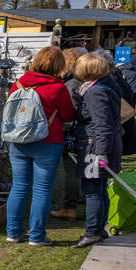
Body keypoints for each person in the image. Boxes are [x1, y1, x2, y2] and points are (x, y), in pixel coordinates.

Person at [5, 46, 75, 247]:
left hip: (19, 141)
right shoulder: (57, 88)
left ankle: (14, 232)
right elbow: (69, 115)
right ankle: (36, 236)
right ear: (58, 65)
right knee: (42, 190)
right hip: (48, 142)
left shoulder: (17, 85)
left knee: (18, 187)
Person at [72, 53, 125, 248]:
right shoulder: (106, 87)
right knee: (99, 189)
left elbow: (103, 125)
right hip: (101, 144)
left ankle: (92, 231)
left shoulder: (95, 92)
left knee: (92, 190)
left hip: (95, 146)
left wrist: (100, 153)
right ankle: (99, 228)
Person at [50, 47, 86, 220]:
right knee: (76, 169)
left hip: (74, 133)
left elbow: (70, 113)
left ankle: (69, 207)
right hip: (80, 132)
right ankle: (72, 203)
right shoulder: (80, 81)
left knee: (72, 169)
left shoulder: (71, 84)